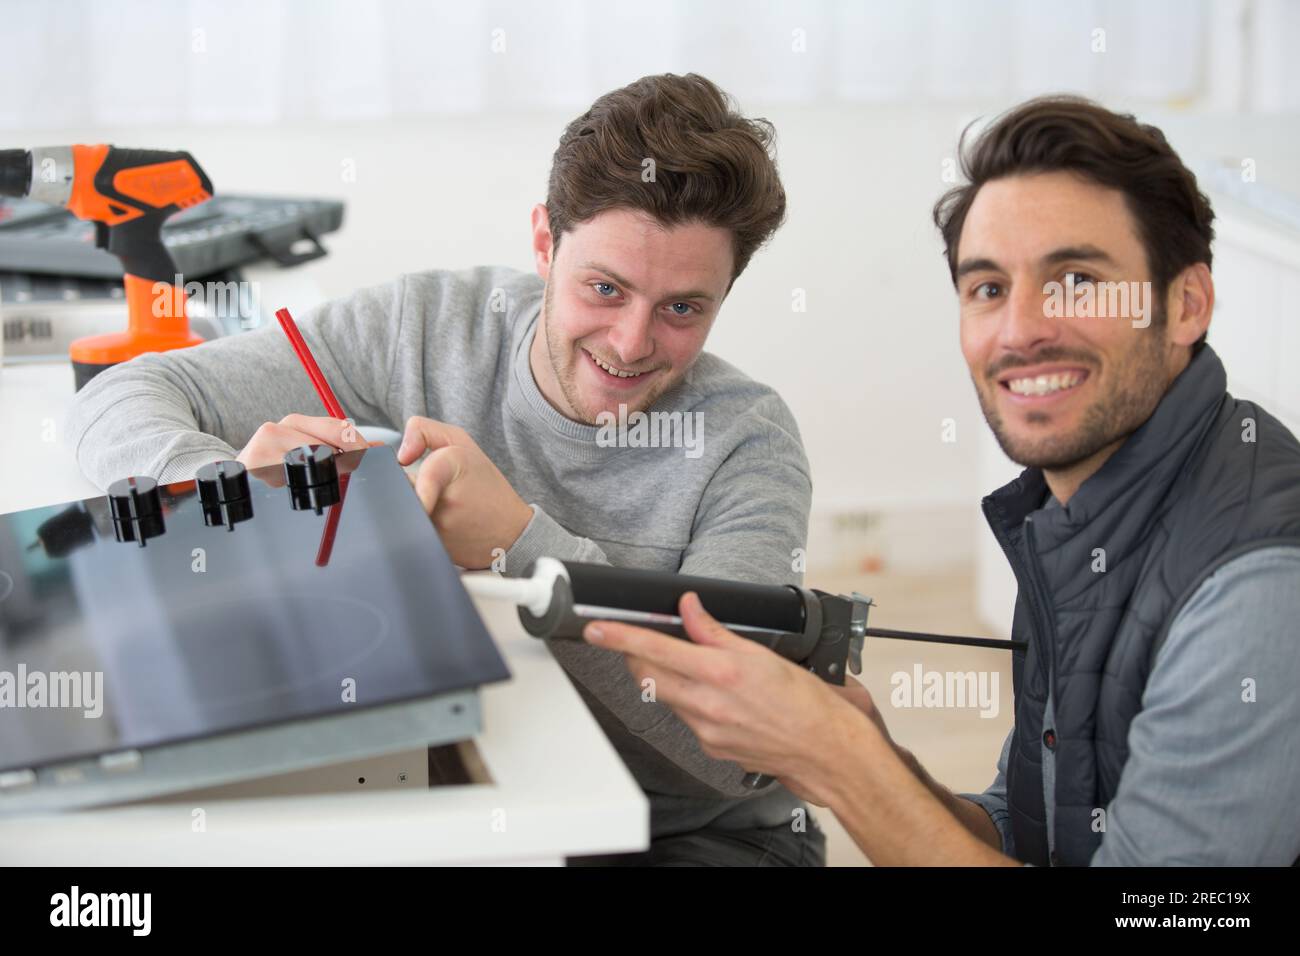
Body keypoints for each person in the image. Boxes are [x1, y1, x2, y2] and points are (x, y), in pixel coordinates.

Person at [66, 73, 823, 867]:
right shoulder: (426, 330)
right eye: (604, 288)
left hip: (693, 837)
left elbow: (735, 751)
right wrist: (229, 496)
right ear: (544, 243)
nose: (632, 343)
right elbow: (122, 398)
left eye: (682, 309)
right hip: (482, 789)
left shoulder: (749, 445)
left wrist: (521, 548)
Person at [583, 95, 1300, 866]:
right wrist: (871, 755)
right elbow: (1029, 836)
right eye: (989, 289)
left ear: (1186, 303)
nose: (1022, 329)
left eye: (1078, 279)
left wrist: (839, 761)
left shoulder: (1254, 589)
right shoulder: (1079, 515)